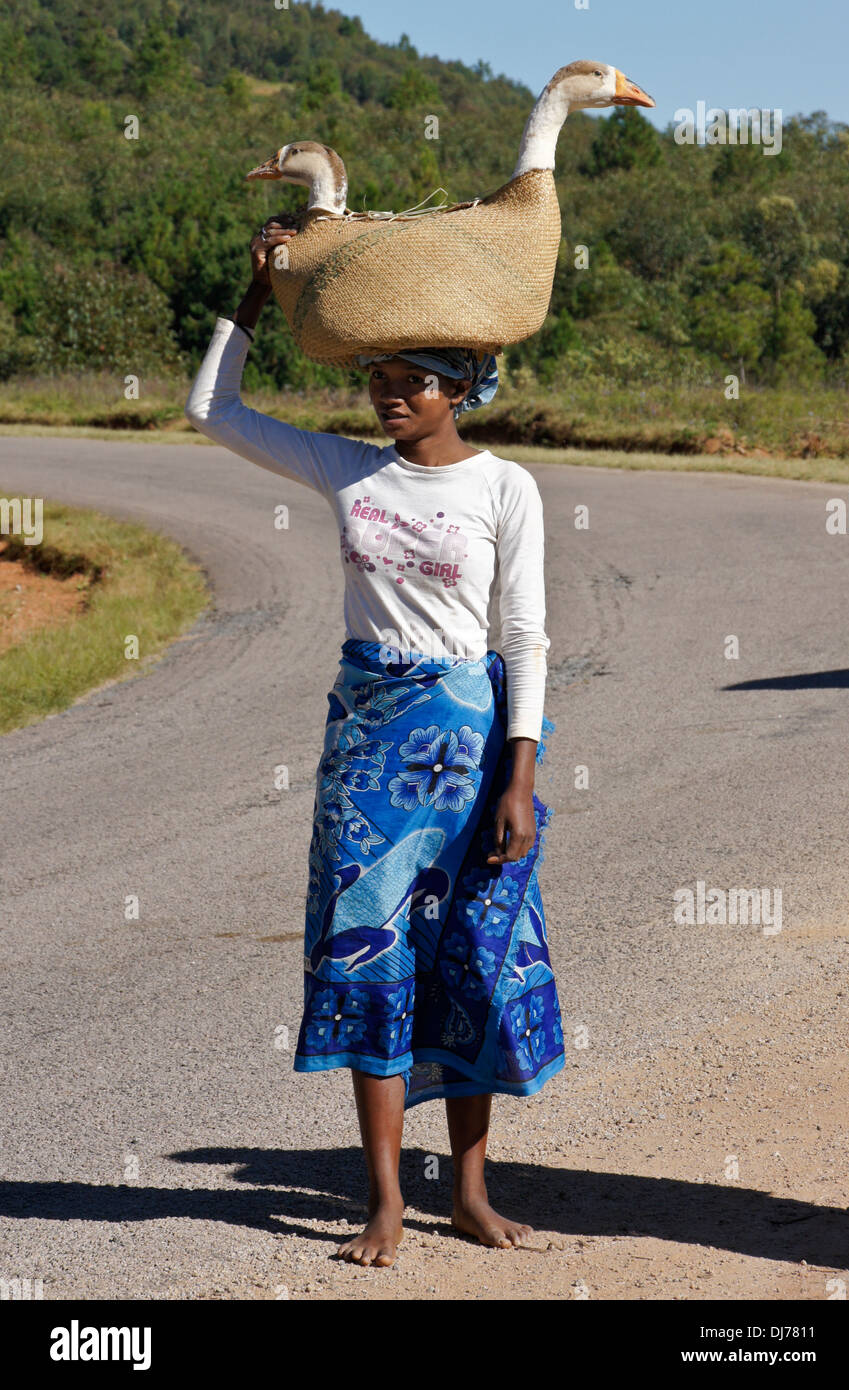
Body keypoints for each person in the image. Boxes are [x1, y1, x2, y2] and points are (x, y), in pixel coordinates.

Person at [185, 215, 565, 1267]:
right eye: (379, 375)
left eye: (413, 377)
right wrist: (256, 292)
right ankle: (387, 1202)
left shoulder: (502, 488)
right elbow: (209, 408)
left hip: (473, 747)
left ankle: (471, 1196)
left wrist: (519, 775)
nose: (388, 393)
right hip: (365, 754)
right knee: (371, 954)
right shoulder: (350, 472)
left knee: (470, 962)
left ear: (461, 386)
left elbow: (524, 636)